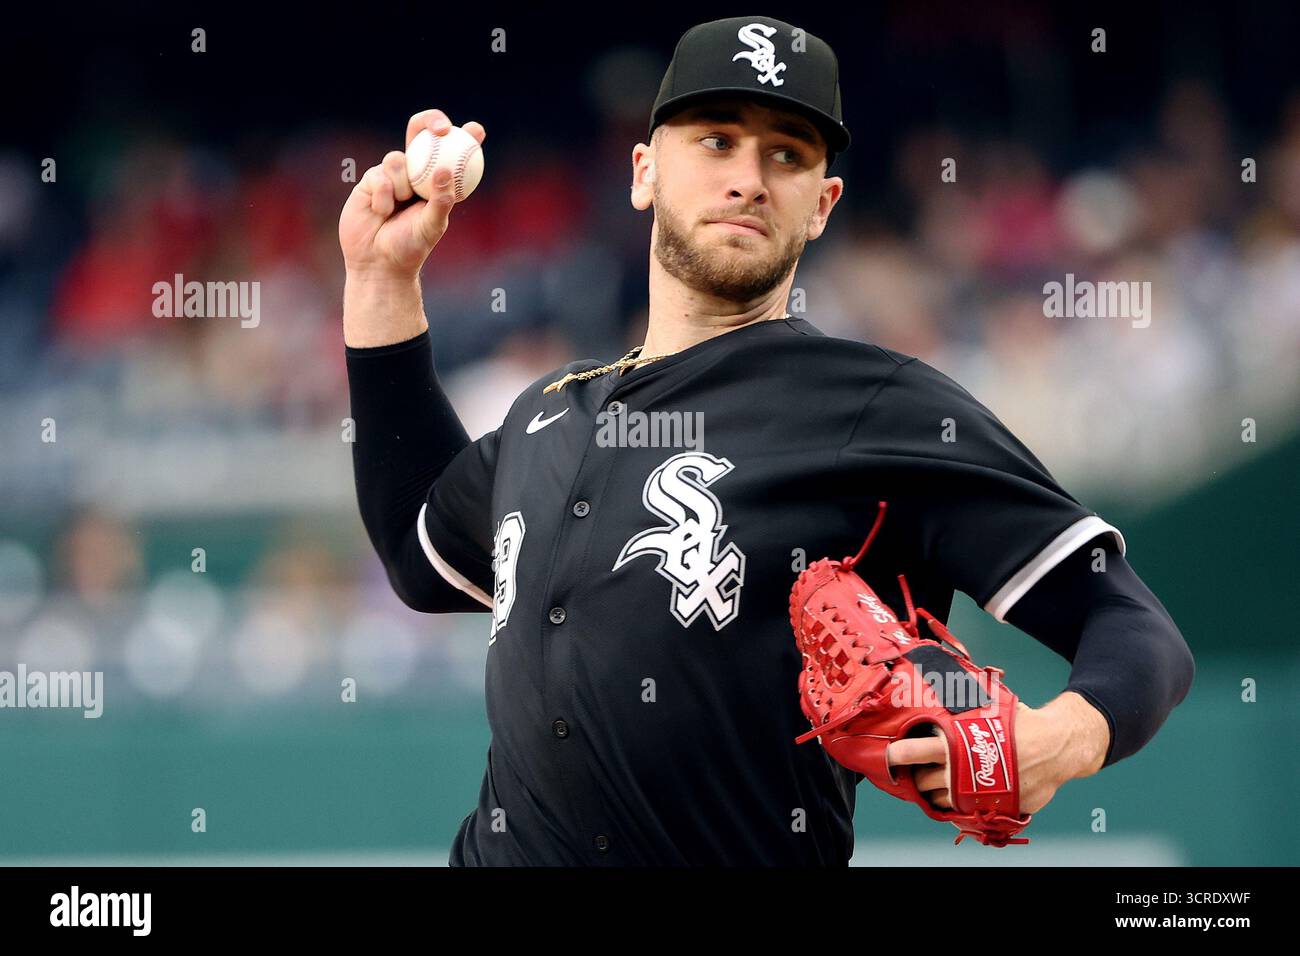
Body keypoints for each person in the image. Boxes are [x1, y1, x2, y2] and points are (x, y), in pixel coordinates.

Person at [338, 16, 1193, 866]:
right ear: (643, 174)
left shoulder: (876, 406)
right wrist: (381, 280)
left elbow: (1131, 624)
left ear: (822, 206)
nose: (749, 178)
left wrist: (1060, 739)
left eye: (786, 154)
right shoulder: (544, 417)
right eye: (715, 141)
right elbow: (419, 555)